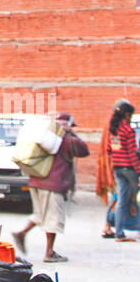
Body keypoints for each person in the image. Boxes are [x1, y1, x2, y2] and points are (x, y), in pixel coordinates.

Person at [12, 114, 90, 262]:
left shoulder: (48, 137)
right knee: (53, 220)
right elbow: (84, 149)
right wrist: (70, 132)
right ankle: (49, 253)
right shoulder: (65, 140)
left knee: (41, 215)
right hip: (52, 184)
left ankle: (21, 233)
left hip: (36, 180)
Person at [98, 100, 139, 241]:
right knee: (135, 198)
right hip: (129, 169)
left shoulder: (114, 130)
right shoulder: (128, 131)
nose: (131, 119)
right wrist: (138, 171)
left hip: (118, 168)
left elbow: (110, 150)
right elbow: (132, 154)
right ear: (126, 115)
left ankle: (119, 233)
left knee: (121, 200)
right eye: (130, 116)